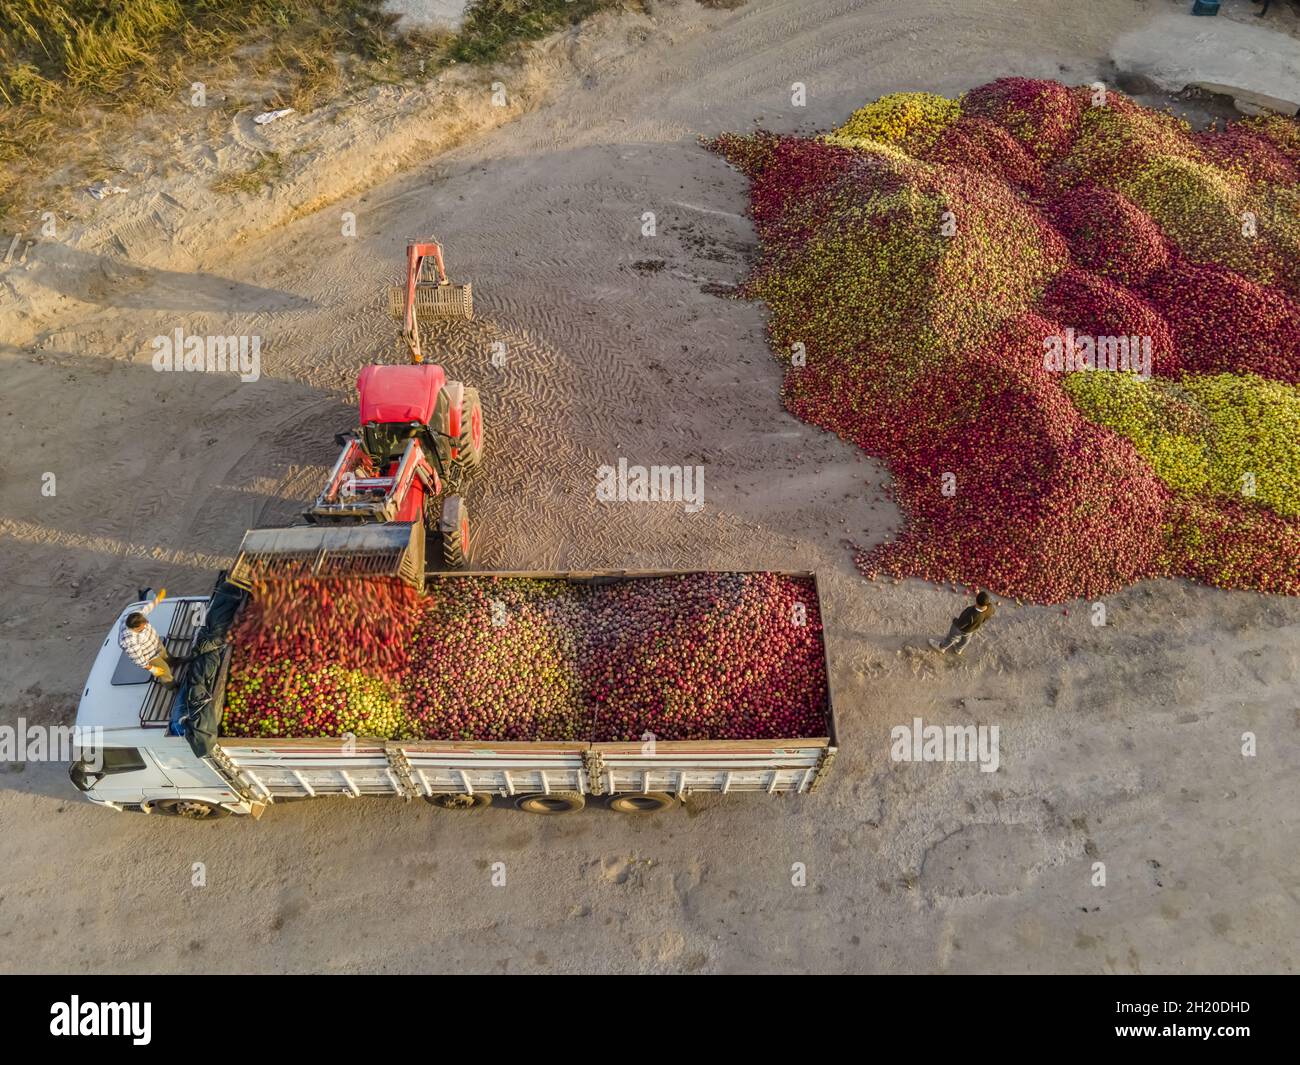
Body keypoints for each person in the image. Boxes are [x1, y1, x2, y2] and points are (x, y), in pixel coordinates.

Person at [119, 588, 189, 688]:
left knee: (166, 656)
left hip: (156, 644)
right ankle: (172, 686)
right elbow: (139, 661)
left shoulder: (134, 616)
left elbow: (146, 609)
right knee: (164, 671)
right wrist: (152, 669)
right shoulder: (129, 641)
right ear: (136, 627)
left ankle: (173, 662)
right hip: (150, 656)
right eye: (144, 625)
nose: (146, 624)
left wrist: (158, 599)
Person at [929, 590, 996, 656]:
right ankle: (958, 649)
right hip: (971, 629)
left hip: (960, 629)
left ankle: (941, 647)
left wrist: (955, 620)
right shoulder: (990, 608)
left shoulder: (971, 613)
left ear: (976, 600)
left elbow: (960, 624)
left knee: (951, 638)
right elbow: (992, 612)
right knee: (965, 640)